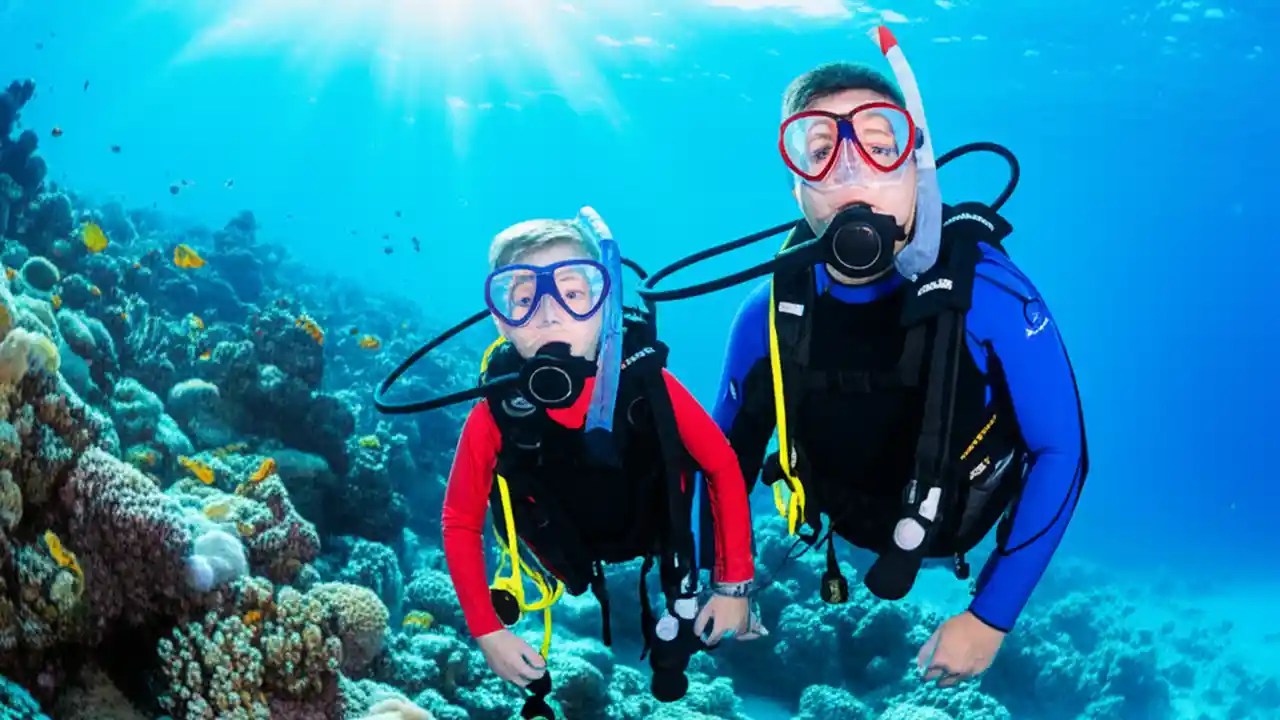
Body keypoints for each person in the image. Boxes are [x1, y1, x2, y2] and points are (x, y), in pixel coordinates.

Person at [638, 27, 1088, 687]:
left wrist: (990, 617)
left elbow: (1064, 450)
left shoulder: (987, 290)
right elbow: (720, 456)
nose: (851, 171)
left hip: (961, 525)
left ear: (916, 164)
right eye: (818, 151)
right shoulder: (767, 314)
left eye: (882, 145)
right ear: (795, 185)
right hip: (840, 527)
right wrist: (729, 580)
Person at [375, 209, 760, 718]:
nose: (548, 313)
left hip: (655, 538)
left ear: (605, 305)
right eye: (522, 297)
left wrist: (733, 586)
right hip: (558, 562)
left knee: (683, 641)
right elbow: (460, 519)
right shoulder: (497, 411)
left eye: (573, 293)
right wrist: (487, 630)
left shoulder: (648, 384)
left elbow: (721, 465)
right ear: (500, 319)